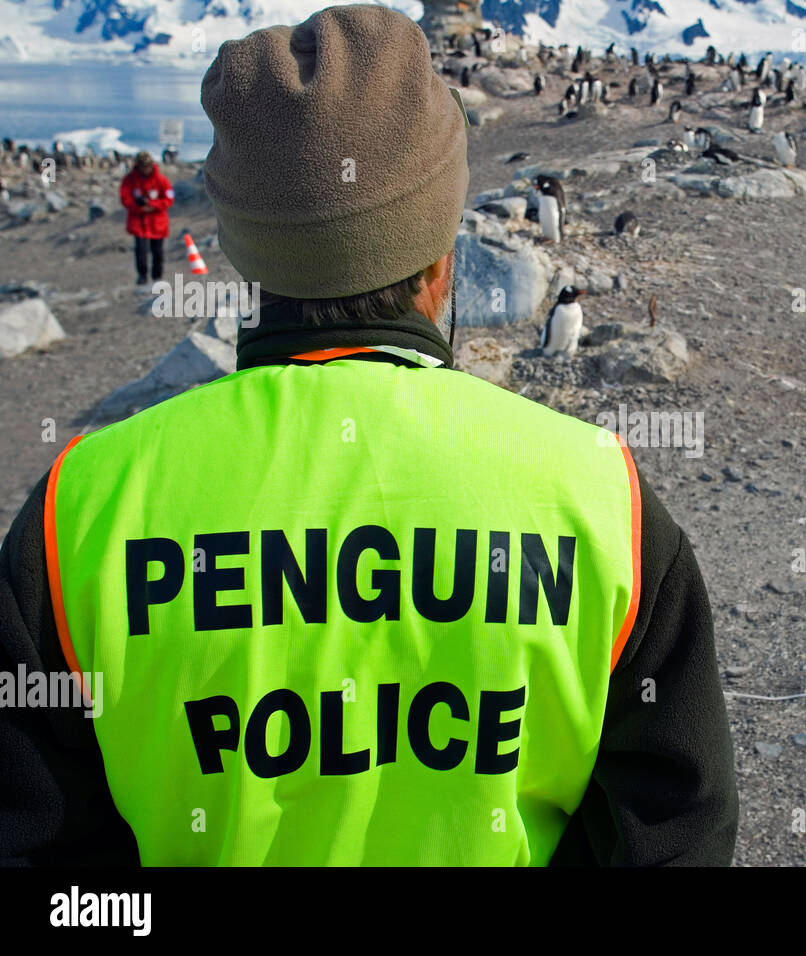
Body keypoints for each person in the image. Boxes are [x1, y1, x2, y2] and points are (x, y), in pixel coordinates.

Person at [0, 4, 737, 867]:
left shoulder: (80, 511)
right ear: (440, 256)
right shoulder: (599, 499)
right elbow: (678, 828)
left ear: (246, 252)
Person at [118, 150, 174, 285]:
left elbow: (169, 198)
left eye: (148, 165)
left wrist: (152, 204)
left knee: (158, 252)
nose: (146, 168)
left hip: (157, 222)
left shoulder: (161, 180)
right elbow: (125, 198)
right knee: (141, 251)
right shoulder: (130, 180)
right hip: (139, 222)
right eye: (143, 166)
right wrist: (139, 207)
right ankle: (142, 276)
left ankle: (157, 277)